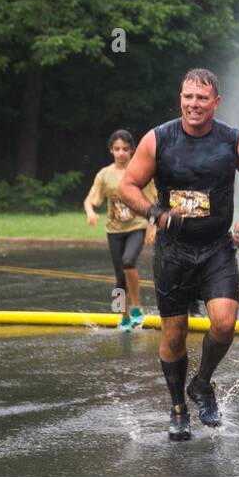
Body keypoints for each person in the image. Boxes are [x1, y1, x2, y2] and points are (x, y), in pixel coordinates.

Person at [118, 68, 239, 441]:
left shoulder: (235, 140)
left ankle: (201, 384)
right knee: (174, 333)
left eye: (202, 98)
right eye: (188, 97)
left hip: (217, 247)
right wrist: (156, 214)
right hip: (173, 252)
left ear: (216, 102)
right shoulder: (158, 139)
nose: (193, 104)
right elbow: (128, 185)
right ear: (179, 98)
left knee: (225, 323)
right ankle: (178, 407)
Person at [84, 130, 157, 331]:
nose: (121, 153)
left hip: (137, 226)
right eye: (117, 149)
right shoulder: (105, 174)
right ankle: (121, 315)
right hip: (114, 230)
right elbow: (91, 199)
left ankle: (136, 307)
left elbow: (154, 202)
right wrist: (90, 211)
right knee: (118, 276)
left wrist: (153, 227)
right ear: (111, 150)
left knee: (128, 262)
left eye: (125, 149)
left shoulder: (141, 172)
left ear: (133, 150)